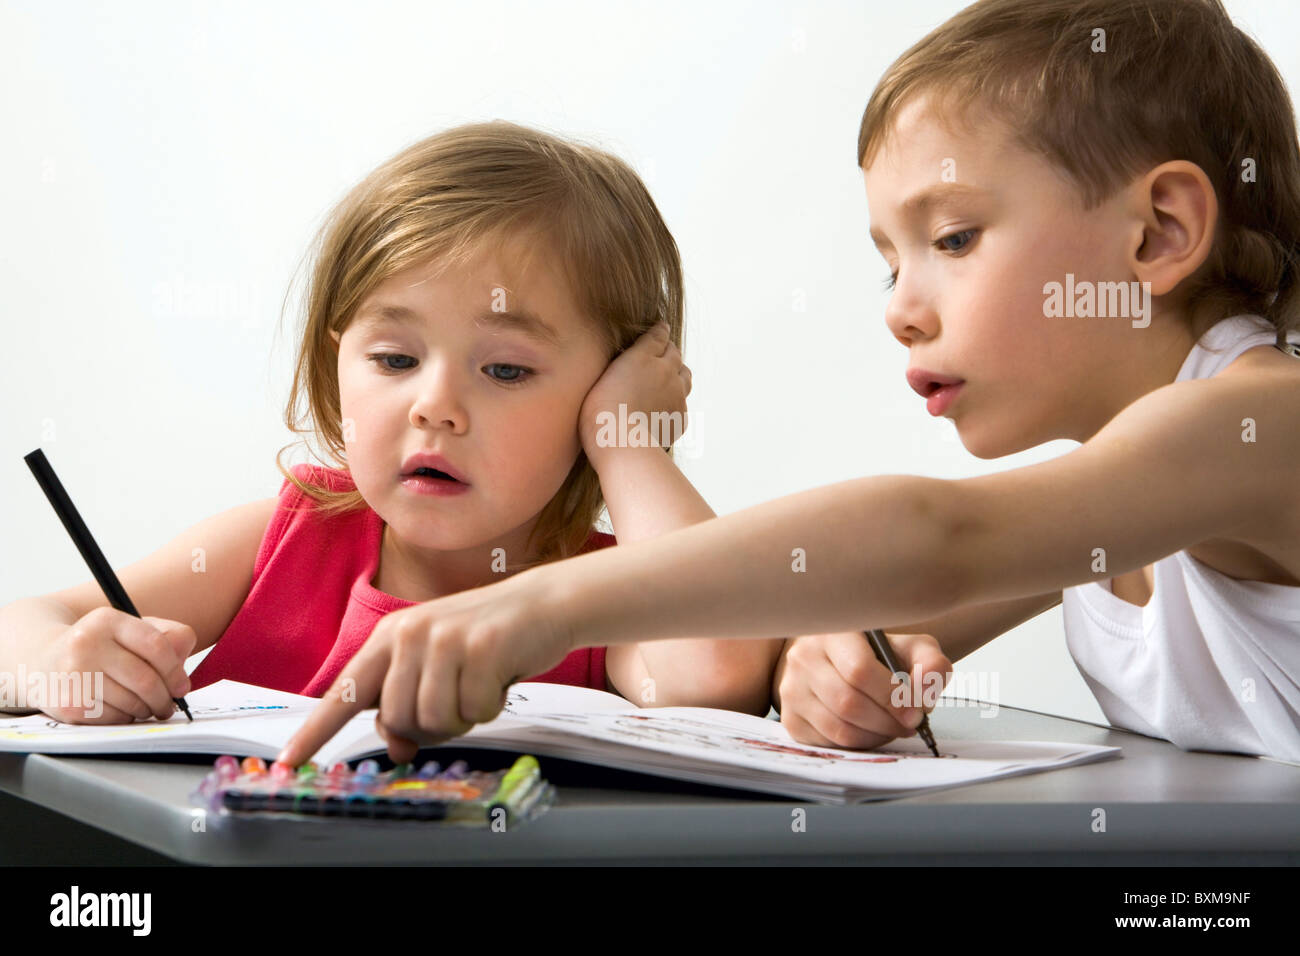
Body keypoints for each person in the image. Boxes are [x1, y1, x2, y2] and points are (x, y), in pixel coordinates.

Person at [277, 0, 1300, 768]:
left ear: (1158, 232)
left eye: (953, 237)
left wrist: (533, 609)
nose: (901, 306)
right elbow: (890, 614)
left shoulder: (1257, 422)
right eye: (889, 262)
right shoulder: (1110, 507)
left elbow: (941, 541)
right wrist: (841, 660)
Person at [0, 120, 783, 736]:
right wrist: (53, 664)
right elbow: (19, 626)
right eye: (396, 358)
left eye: (506, 370)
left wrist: (628, 441)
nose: (433, 406)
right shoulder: (282, 542)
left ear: (601, 392)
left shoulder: (602, 600)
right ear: (339, 362)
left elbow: (714, 670)